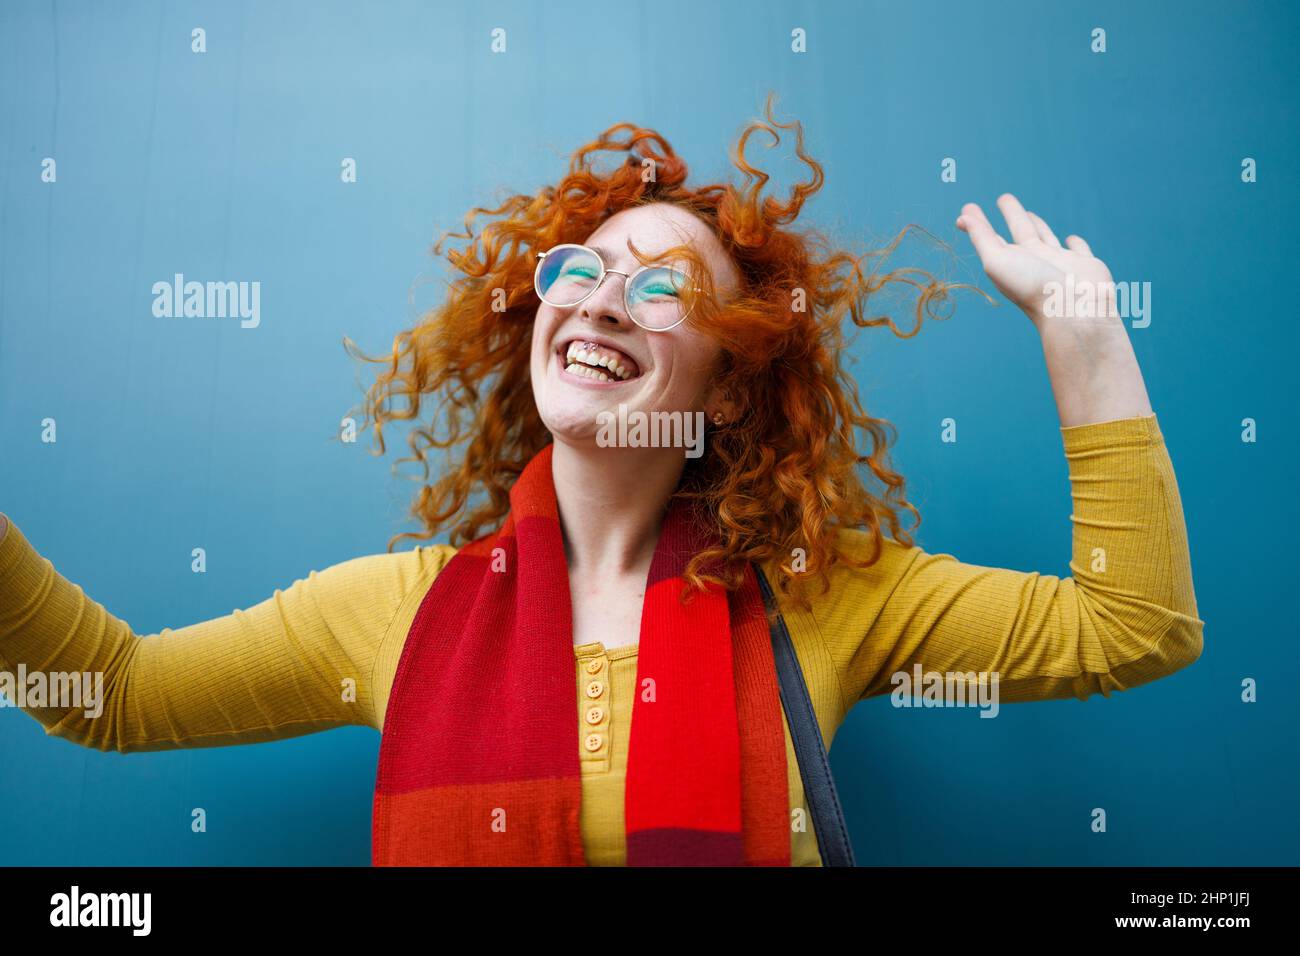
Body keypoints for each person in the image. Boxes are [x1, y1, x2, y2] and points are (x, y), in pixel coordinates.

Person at [0, 103, 1203, 866]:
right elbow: (110, 692)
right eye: (580, 269)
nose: (597, 298)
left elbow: (1133, 626)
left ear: (728, 389)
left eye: (661, 287)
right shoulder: (396, 612)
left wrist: (1084, 334)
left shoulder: (818, 596)